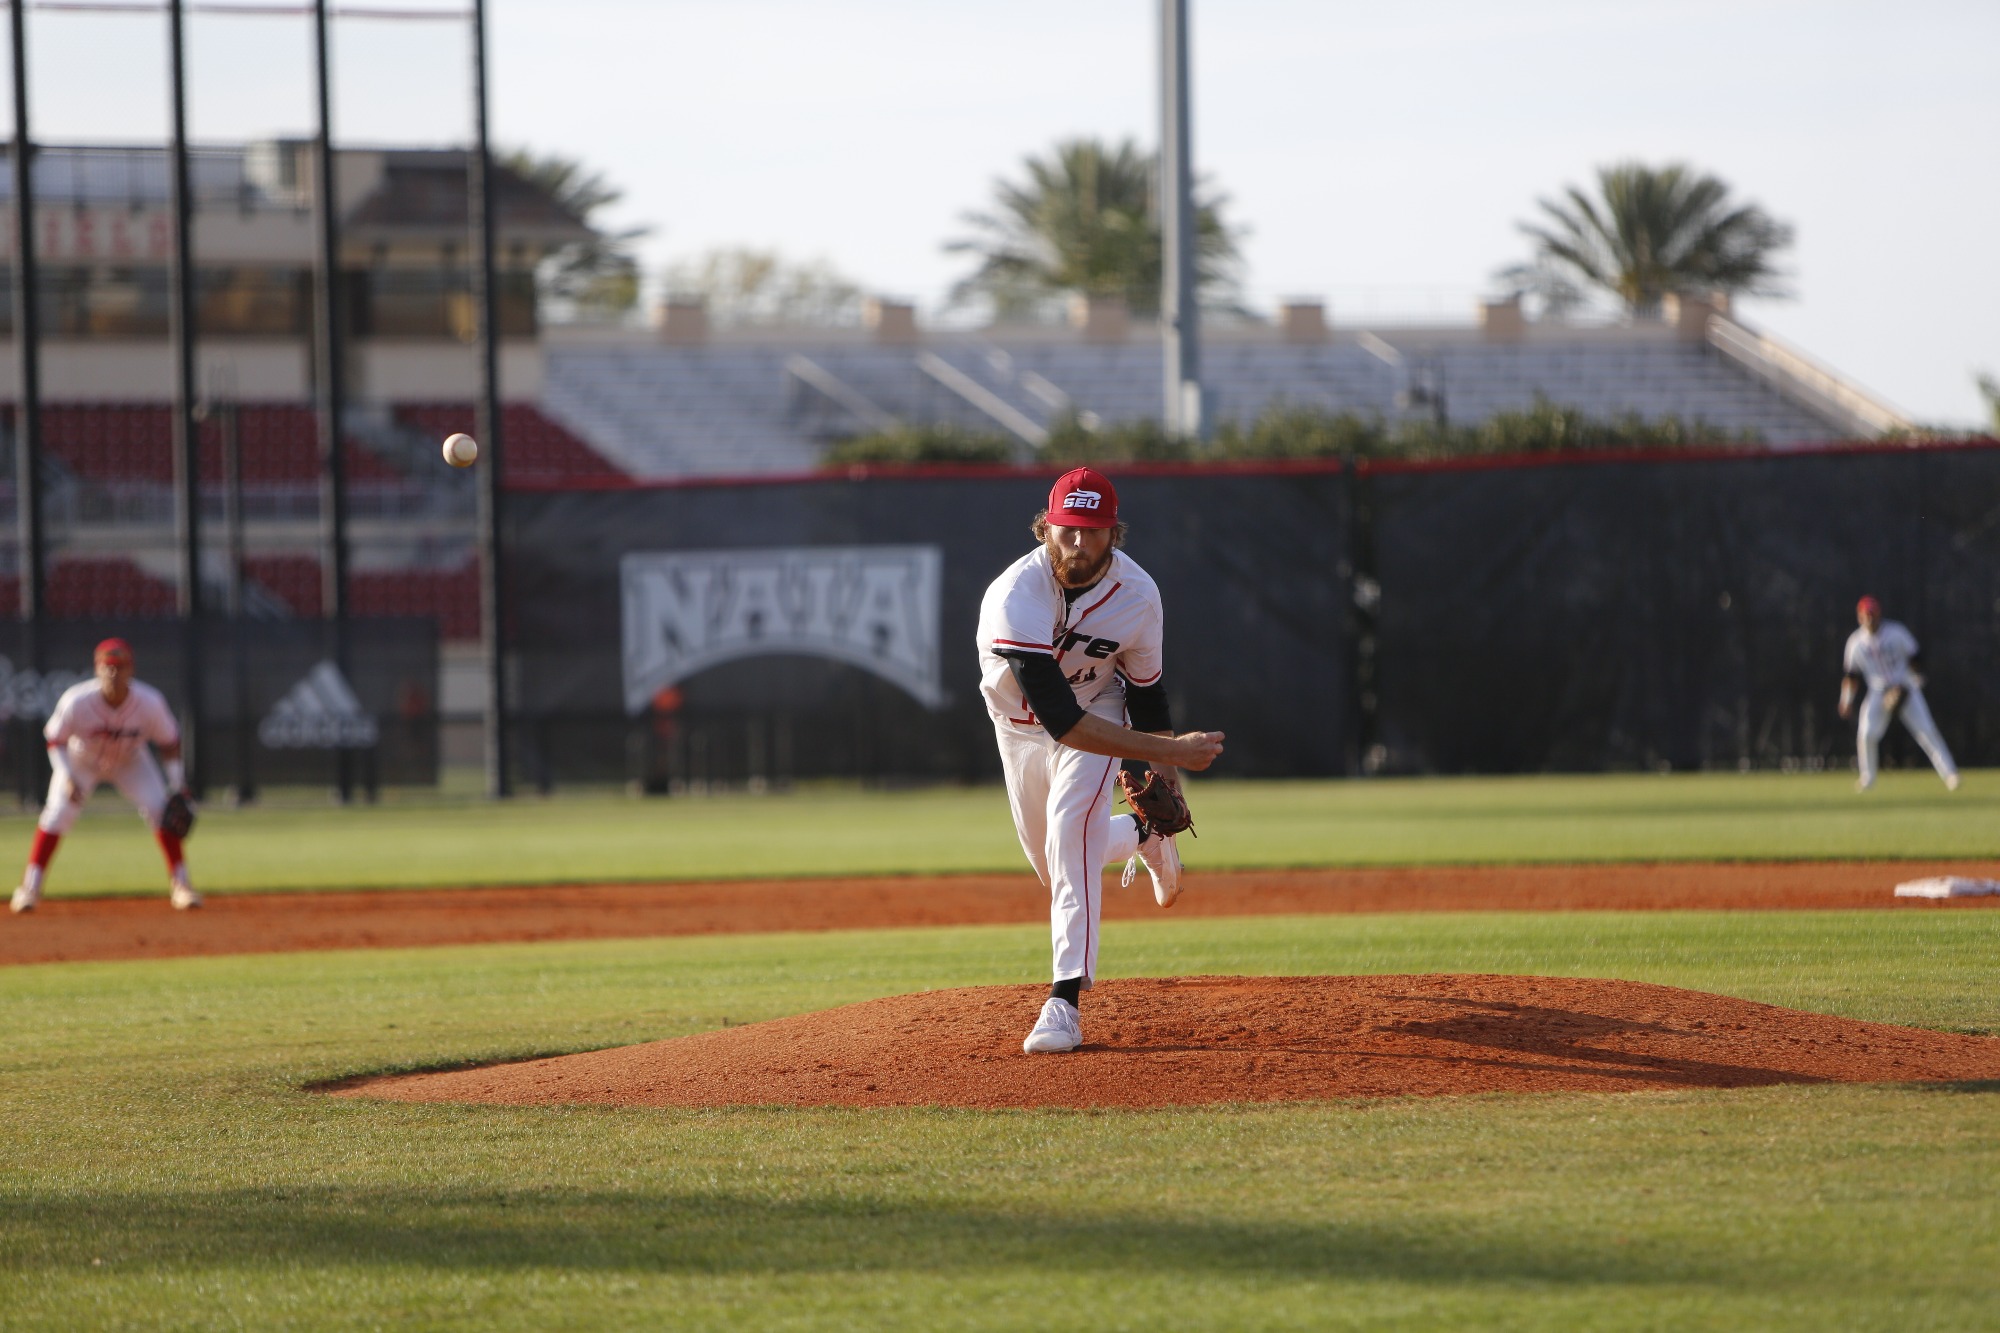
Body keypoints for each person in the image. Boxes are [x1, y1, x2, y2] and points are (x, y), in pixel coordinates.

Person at [976, 466, 1225, 1054]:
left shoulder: (1138, 595)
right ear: (1046, 527)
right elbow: (1060, 720)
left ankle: (1064, 1003)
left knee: (1070, 841)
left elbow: (1144, 691)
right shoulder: (1016, 595)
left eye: (1093, 530)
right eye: (1068, 529)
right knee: (1052, 864)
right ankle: (1143, 834)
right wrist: (1172, 753)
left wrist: (1166, 780)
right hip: (1023, 730)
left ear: (1115, 532)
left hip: (1101, 711)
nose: (1080, 543)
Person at [10, 638, 201, 913]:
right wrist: (66, 775)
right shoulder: (77, 700)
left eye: (120, 666)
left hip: (130, 761)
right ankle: (29, 888)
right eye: (107, 666)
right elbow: (55, 740)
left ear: (131, 670)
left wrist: (178, 784)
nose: (113, 672)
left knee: (161, 809)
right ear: (97, 669)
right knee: (57, 813)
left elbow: (169, 742)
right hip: (81, 760)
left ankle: (182, 886)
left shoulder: (149, 702)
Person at [1839, 595, 1959, 792]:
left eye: (1873, 614)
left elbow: (1915, 657)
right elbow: (1851, 676)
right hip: (1878, 691)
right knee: (1866, 733)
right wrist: (1846, 700)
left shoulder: (1896, 632)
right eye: (1866, 615)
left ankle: (1950, 774)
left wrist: (1914, 678)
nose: (1870, 618)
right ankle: (1867, 778)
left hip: (1905, 687)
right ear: (1859, 617)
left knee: (1926, 731)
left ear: (1879, 614)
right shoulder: (1855, 642)